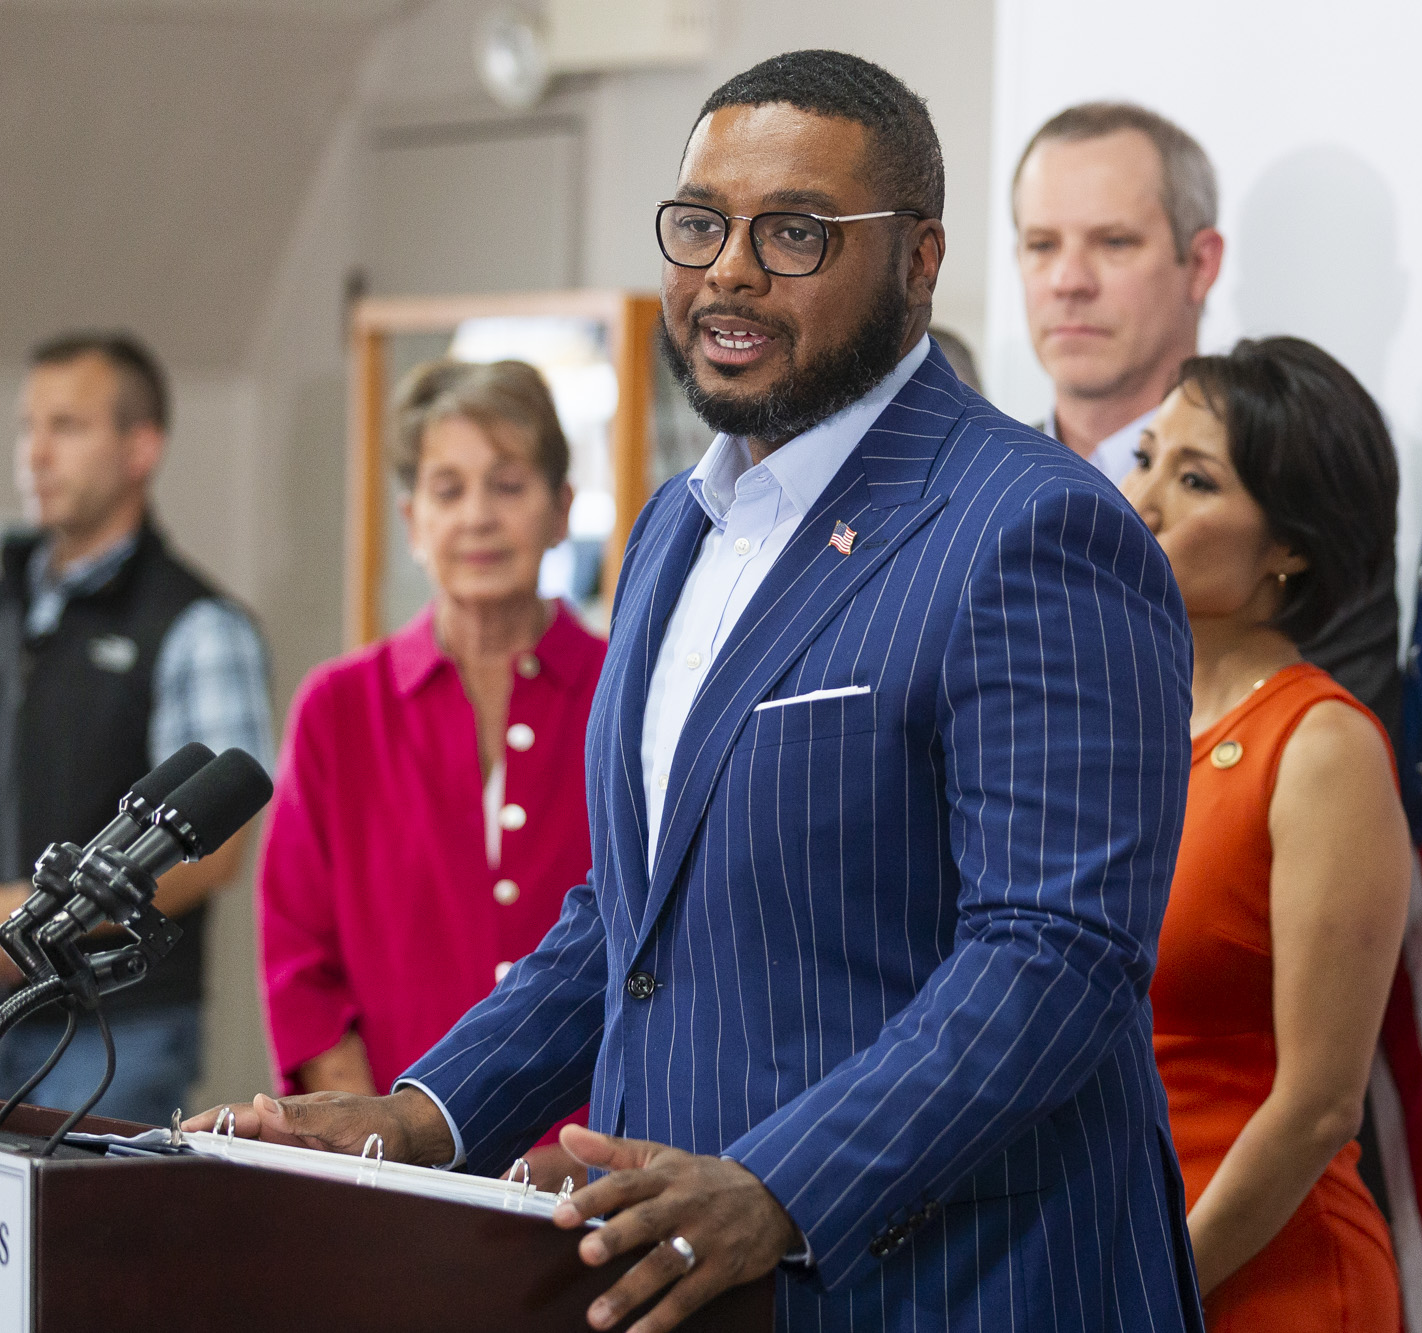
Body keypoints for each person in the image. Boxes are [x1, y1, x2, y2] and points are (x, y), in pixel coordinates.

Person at [195, 50, 1201, 1333]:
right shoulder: (677, 525)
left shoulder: (1033, 527)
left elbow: (1055, 954)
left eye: (793, 233)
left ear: (920, 258)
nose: (728, 270)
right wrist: (428, 1113)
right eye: (699, 225)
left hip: (959, 1286)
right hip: (686, 1285)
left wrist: (783, 1184)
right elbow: (634, 910)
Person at [258, 359, 603, 1183]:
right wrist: (389, 1150)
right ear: (413, 521)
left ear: (560, 512)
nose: (478, 517)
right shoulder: (338, 706)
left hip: (593, 1176)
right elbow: (299, 963)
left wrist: (565, 1163)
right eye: (448, 490)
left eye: (509, 485)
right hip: (389, 1182)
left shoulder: (628, 693)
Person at [1126, 337, 1406, 1329]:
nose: (1143, 499)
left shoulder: (1321, 746)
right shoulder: (1115, 722)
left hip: (1253, 1277)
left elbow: (1318, 1105)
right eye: (1145, 457)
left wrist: (1149, 1293)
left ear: (1288, 543)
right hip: (1100, 1258)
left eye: (1193, 478)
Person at [1013, 102, 1402, 744]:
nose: (1067, 280)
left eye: (1114, 242)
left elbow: (1328, 763)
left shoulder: (1296, 479)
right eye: (1041, 245)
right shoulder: (972, 489)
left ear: (1201, 264)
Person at [0, 332, 272, 1125]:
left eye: (68, 427)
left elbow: (211, 850)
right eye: (27, 427)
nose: (36, 454)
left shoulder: (197, 623)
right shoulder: (10, 590)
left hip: (112, 1025)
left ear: (140, 446)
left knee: (83, 1245)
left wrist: (29, 918)